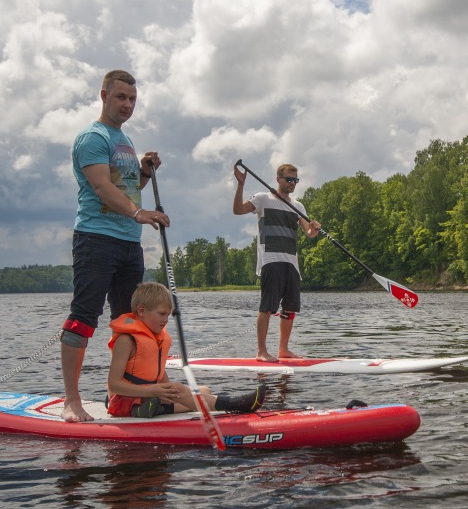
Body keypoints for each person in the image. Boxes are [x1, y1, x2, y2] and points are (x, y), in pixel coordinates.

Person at [59, 69, 170, 423]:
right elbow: (103, 188)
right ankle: (71, 401)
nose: (127, 104)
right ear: (104, 95)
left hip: (128, 244)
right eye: (120, 97)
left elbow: (127, 184)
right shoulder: (93, 138)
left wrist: (146, 172)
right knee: (84, 318)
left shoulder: (124, 141)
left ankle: (122, 395)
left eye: (132, 99)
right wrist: (139, 213)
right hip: (95, 239)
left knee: (131, 323)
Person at [106, 282, 265, 417]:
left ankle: (155, 407)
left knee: (205, 390)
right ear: (141, 311)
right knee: (181, 391)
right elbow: (114, 385)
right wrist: (155, 391)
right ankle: (235, 404)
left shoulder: (155, 337)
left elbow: (157, 372)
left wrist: (169, 394)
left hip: (148, 396)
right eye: (161, 314)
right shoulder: (126, 340)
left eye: (168, 315)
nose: (165, 320)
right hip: (124, 400)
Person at [232, 162, 322, 361]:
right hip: (271, 259)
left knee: (289, 308)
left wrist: (314, 228)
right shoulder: (262, 199)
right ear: (278, 179)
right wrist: (240, 185)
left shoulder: (297, 206)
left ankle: (283, 349)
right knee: (267, 306)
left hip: (292, 262)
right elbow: (237, 210)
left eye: (295, 180)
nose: (292, 183)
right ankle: (261, 351)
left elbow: (309, 233)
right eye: (289, 179)